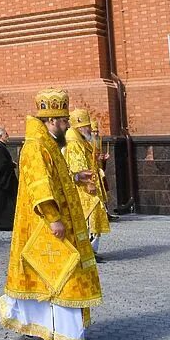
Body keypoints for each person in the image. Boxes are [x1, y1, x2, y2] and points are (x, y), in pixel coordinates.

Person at [0, 90, 102, 340]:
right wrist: (54, 219)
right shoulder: (35, 147)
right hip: (45, 227)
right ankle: (66, 339)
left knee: (49, 281)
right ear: (52, 120)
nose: (68, 125)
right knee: (64, 281)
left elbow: (56, 179)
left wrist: (76, 178)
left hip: (53, 224)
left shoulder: (49, 144)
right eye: (64, 120)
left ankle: (48, 328)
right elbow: (40, 188)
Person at [65, 109, 110, 260]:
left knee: (92, 218)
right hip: (85, 190)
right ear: (79, 127)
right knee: (89, 219)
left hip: (89, 186)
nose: (90, 129)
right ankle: (87, 251)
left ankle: (91, 250)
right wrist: (89, 183)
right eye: (87, 126)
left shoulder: (81, 141)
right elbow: (79, 166)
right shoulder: (74, 143)